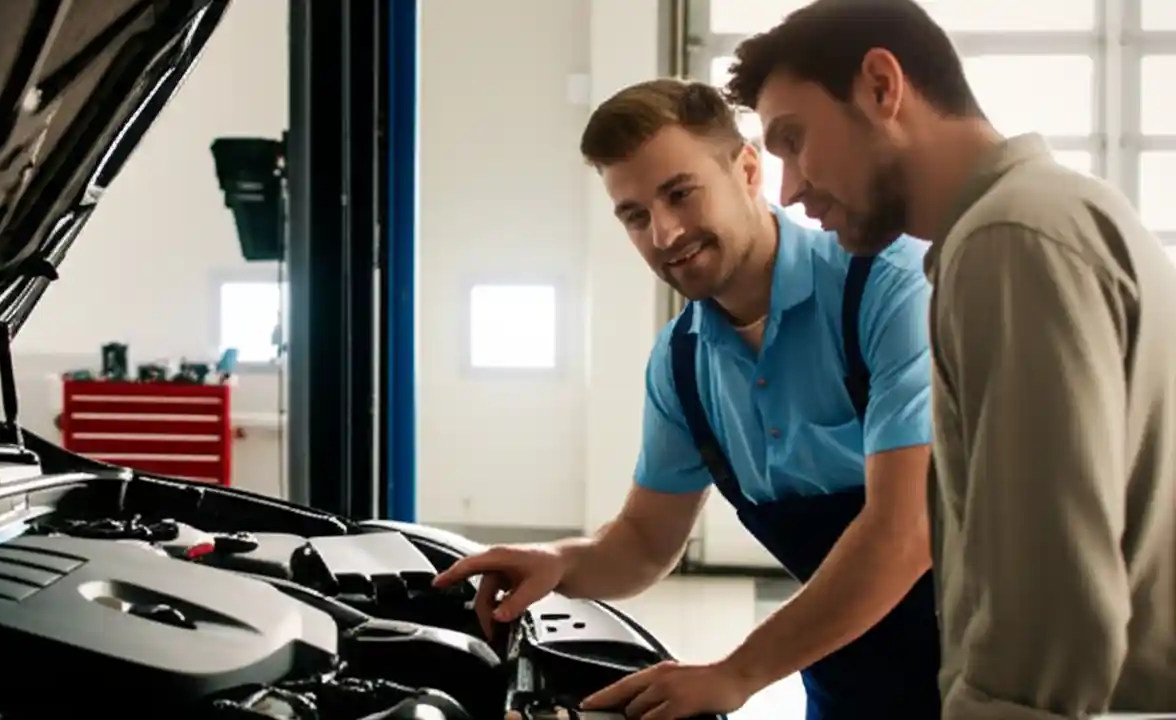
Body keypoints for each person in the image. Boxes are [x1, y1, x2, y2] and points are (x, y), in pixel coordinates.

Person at [433, 78, 943, 720]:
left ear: (748, 171)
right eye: (635, 215)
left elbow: (906, 529)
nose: (665, 232)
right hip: (847, 680)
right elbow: (645, 542)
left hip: (987, 672)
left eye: (680, 193)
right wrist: (556, 561)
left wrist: (737, 672)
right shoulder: (681, 364)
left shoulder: (889, 289)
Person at [722, 0, 1176, 717]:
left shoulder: (1011, 239)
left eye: (795, 140)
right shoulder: (1049, 215)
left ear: (881, 87)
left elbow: (1051, 600)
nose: (791, 189)